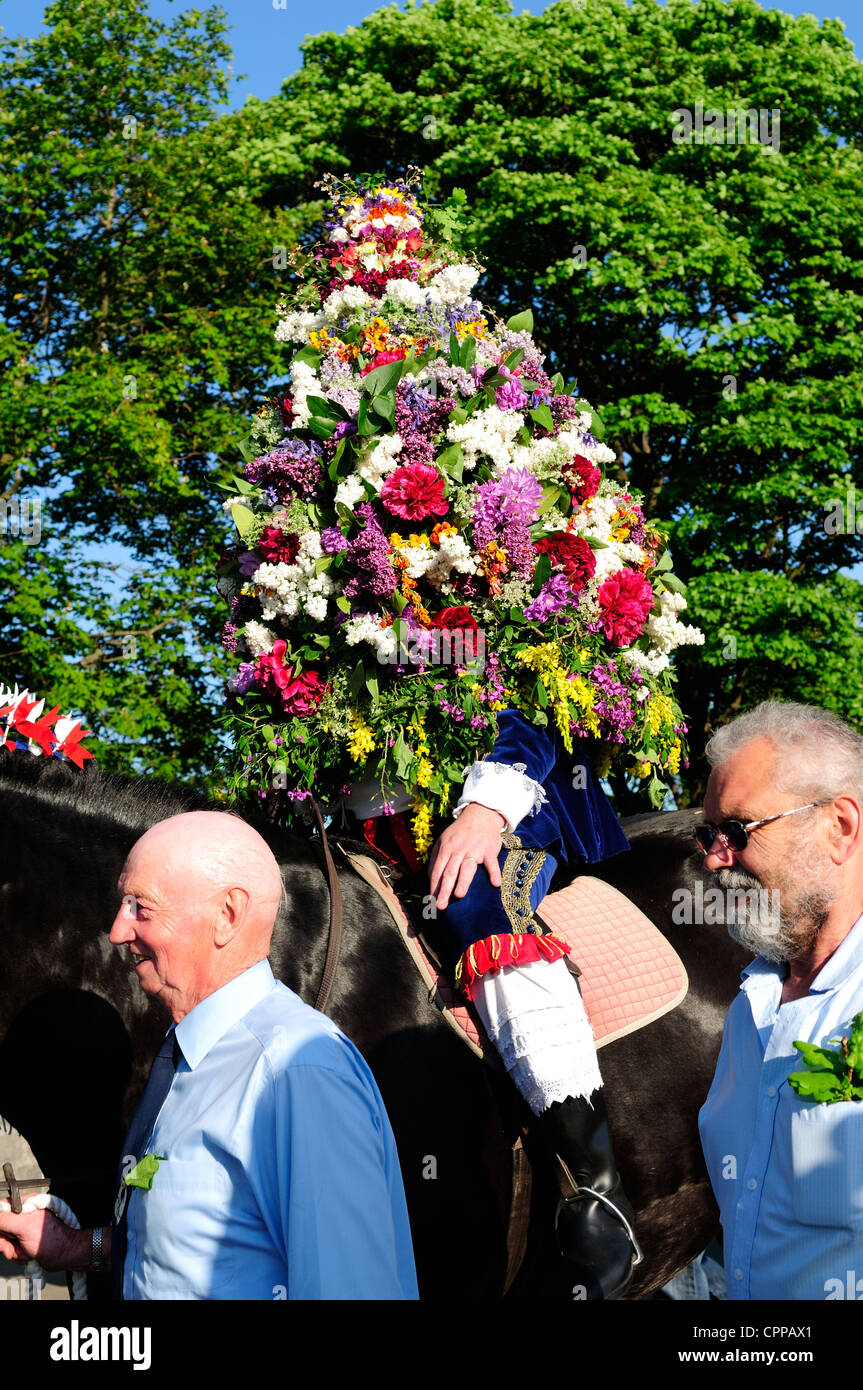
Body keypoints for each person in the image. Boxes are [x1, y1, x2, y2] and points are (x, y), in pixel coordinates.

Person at [0, 811, 418, 1300]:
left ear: (227, 915)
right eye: (123, 904)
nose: (117, 931)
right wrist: (76, 1247)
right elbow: (195, 1247)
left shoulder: (299, 1074)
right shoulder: (191, 1055)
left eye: (141, 907)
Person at [426, 705, 640, 1300]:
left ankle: (596, 1187)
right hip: (368, 812)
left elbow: (533, 700)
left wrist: (483, 810)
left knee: (477, 904)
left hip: (515, 806)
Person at [696, 700, 863, 1300]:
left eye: (737, 830)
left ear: (839, 828)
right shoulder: (749, 1004)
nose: (713, 858)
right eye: (706, 832)